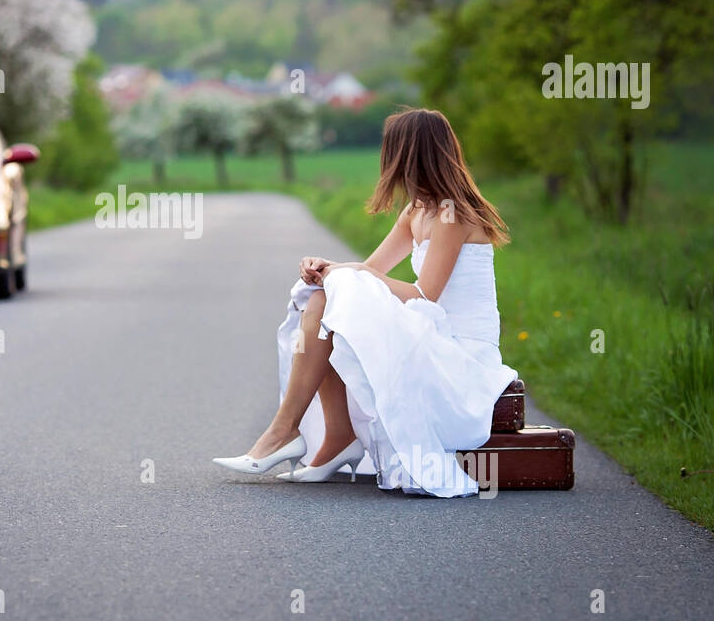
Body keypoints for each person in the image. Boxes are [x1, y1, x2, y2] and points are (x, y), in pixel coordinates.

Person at [212, 108, 517, 497]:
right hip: (431, 334)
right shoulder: (417, 210)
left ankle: (289, 432)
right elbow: (373, 268)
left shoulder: (450, 213)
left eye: (391, 153)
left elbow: (425, 295)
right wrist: (327, 268)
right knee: (323, 297)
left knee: (337, 297)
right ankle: (323, 434)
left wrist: (348, 278)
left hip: (462, 353)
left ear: (411, 155)